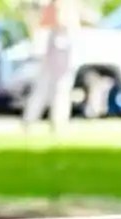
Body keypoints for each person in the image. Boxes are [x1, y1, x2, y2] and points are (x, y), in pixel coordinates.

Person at [21, 0, 79, 134]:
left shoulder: (64, 9)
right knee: (47, 89)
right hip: (55, 51)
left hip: (61, 51)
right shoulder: (58, 8)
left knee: (59, 90)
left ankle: (56, 122)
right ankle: (32, 120)